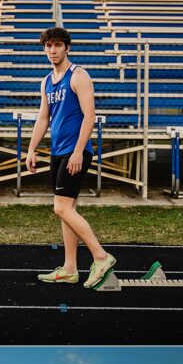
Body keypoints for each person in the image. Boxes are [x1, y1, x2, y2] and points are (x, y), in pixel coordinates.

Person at [25, 27, 116, 288]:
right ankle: (69, 268)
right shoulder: (46, 81)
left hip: (76, 152)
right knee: (67, 210)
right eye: (48, 46)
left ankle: (101, 257)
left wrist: (78, 151)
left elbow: (90, 115)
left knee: (61, 207)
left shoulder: (79, 76)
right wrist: (31, 149)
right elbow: (43, 118)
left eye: (57, 45)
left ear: (67, 48)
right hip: (58, 152)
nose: (52, 50)